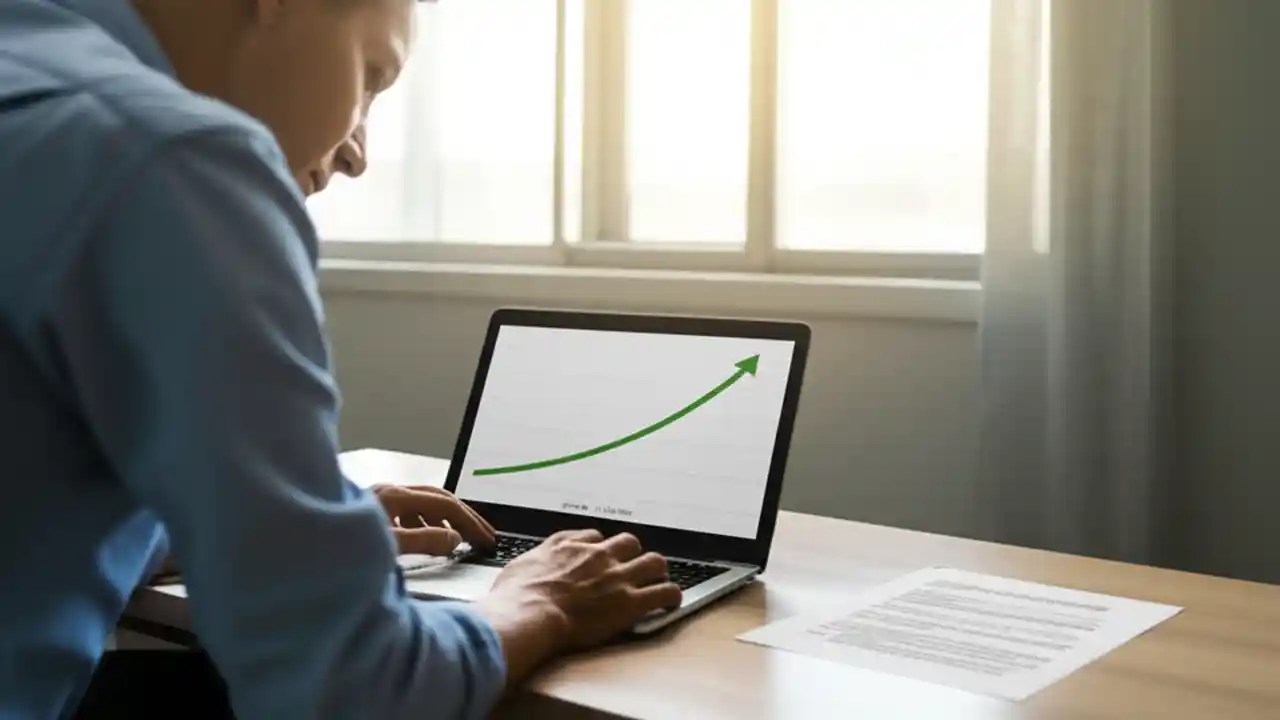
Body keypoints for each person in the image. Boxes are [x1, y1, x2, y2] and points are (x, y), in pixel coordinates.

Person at [0, 0, 683, 718]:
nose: (358, 152)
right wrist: (540, 599)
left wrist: (298, 533)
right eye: (373, 78)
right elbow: (354, 687)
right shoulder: (168, 159)